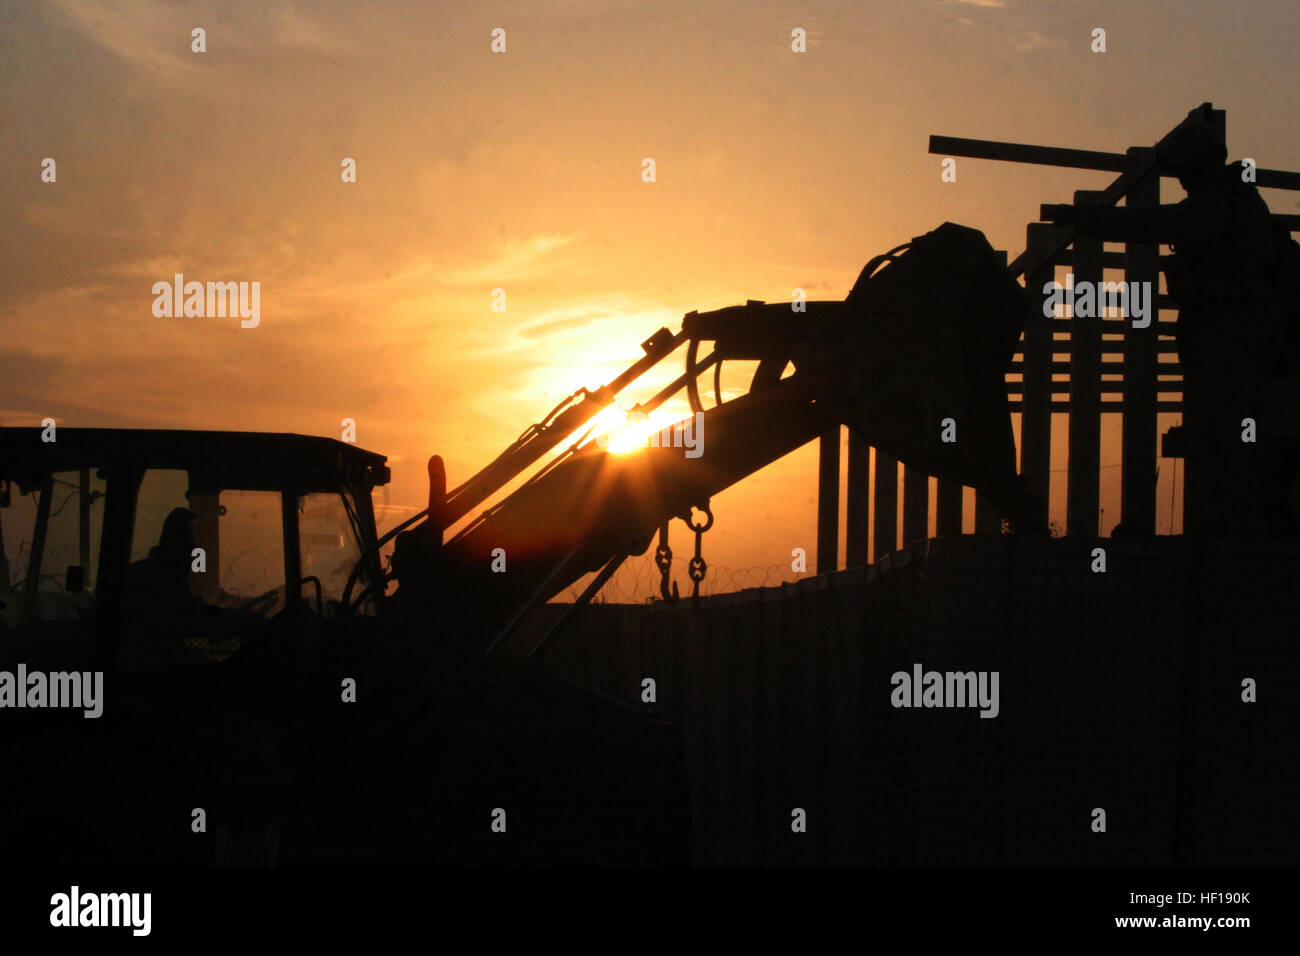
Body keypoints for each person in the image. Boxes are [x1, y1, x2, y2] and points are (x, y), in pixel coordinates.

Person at [1046, 117, 1290, 535]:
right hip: (1242, 322)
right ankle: (1246, 526)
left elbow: (1155, 224)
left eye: (1183, 174)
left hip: (1232, 323)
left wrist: (1087, 219)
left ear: (1197, 166)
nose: (1181, 183)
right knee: (1234, 428)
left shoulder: (1220, 202)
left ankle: (1240, 531)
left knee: (1223, 428)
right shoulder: (1239, 200)